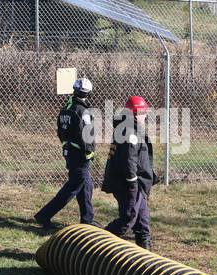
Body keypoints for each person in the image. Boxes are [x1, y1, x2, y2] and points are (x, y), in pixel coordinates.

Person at [34, 76, 96, 228]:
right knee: (73, 187)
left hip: (69, 151)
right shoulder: (82, 111)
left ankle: (87, 219)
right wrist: (89, 152)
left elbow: (60, 132)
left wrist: (66, 145)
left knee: (86, 185)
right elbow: (86, 135)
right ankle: (44, 215)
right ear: (88, 93)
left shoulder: (66, 109)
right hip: (80, 154)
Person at [102, 95, 158, 249]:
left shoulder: (129, 128)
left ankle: (145, 250)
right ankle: (100, 241)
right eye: (143, 112)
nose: (146, 115)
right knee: (128, 218)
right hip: (129, 182)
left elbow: (139, 156)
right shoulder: (130, 131)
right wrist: (132, 181)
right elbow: (129, 159)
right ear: (136, 113)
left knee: (143, 220)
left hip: (137, 181)